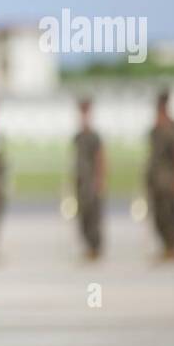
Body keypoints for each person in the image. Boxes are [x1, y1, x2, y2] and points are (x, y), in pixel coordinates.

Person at [146, 89, 174, 260]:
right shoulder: (155, 129)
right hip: (156, 179)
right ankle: (165, 246)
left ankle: (173, 247)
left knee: (170, 213)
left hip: (168, 179)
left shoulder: (173, 129)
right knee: (158, 215)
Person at [74, 98, 105, 260]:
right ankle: (88, 247)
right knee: (83, 216)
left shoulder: (94, 136)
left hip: (91, 182)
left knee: (94, 216)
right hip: (81, 182)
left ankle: (95, 247)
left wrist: (100, 180)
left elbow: (101, 159)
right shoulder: (78, 136)